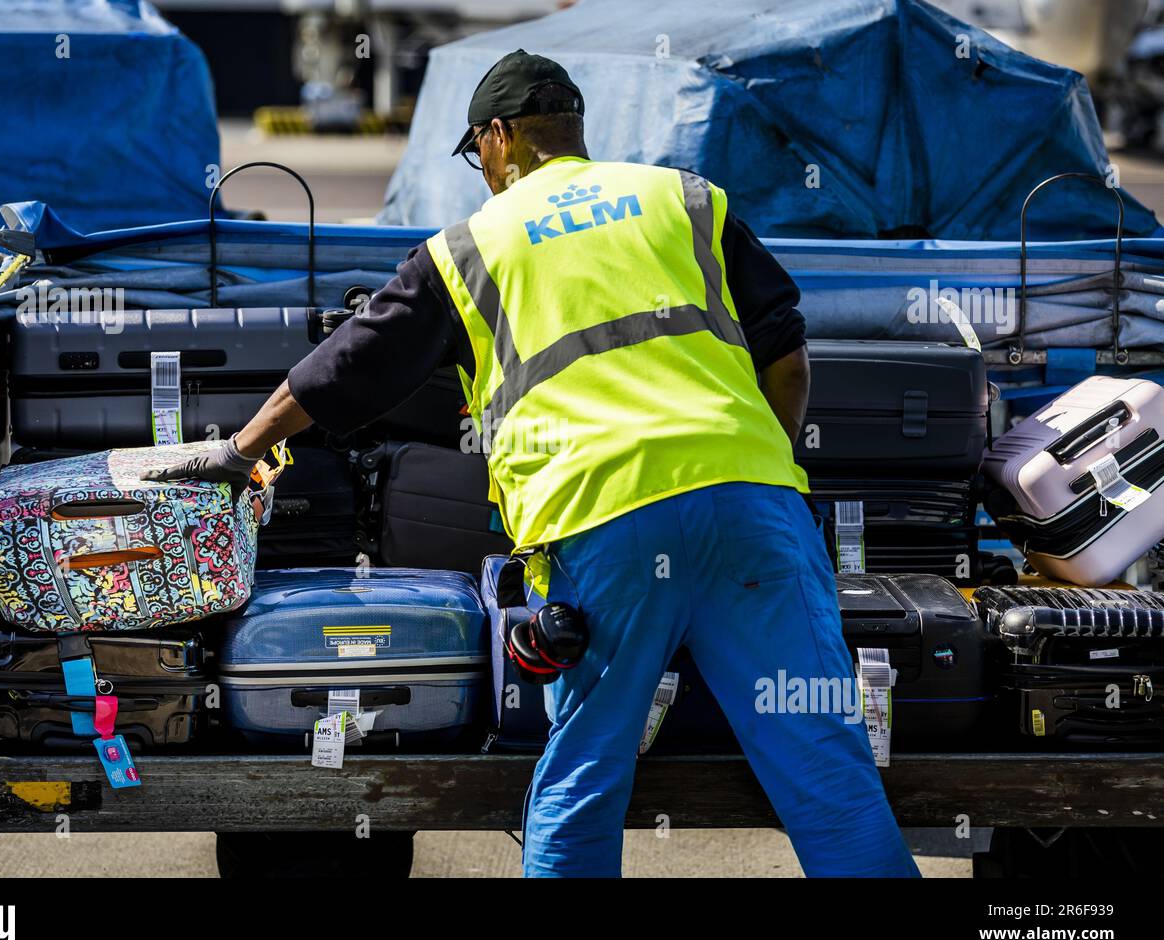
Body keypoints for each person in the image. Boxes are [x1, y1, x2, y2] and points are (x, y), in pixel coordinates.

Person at [146, 49, 919, 879]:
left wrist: (238, 451)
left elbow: (343, 371)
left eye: (477, 152)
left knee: (585, 776)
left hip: (604, 522)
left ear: (500, 136)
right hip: (756, 510)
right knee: (828, 774)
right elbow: (787, 354)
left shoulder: (471, 248)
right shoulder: (683, 200)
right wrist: (754, 466)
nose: (481, 169)